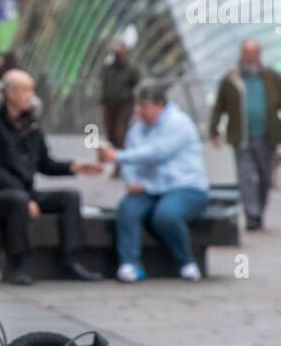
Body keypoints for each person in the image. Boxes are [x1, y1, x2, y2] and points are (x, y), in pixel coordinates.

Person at [0, 69, 103, 286]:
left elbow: (45, 163)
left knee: (69, 197)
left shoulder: (32, 124)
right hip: (2, 193)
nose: (31, 96)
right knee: (18, 201)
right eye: (26, 90)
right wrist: (27, 197)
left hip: (26, 192)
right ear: (10, 93)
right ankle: (18, 265)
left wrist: (74, 167)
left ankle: (71, 260)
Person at [99, 81, 208, 282]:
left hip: (183, 187)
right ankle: (129, 264)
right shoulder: (137, 128)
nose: (139, 111)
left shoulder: (178, 123)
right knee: (127, 209)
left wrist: (116, 155)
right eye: (137, 105)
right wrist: (131, 180)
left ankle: (186, 261)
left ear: (159, 105)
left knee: (166, 216)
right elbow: (133, 162)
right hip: (149, 188)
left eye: (144, 106)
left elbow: (157, 153)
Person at [208, 40, 281, 231]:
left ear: (259, 54)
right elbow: (219, 107)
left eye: (253, 52)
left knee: (265, 177)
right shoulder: (231, 80)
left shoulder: (272, 78)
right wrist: (213, 130)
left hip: (267, 137)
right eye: (247, 52)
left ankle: (259, 210)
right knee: (246, 176)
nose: (250, 56)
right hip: (241, 137)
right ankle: (252, 214)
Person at [100, 40, 139, 152]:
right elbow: (104, 85)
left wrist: (136, 105)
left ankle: (122, 159)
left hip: (124, 105)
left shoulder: (131, 69)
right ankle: (116, 156)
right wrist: (102, 103)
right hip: (110, 105)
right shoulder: (108, 69)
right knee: (111, 133)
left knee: (120, 133)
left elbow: (136, 87)